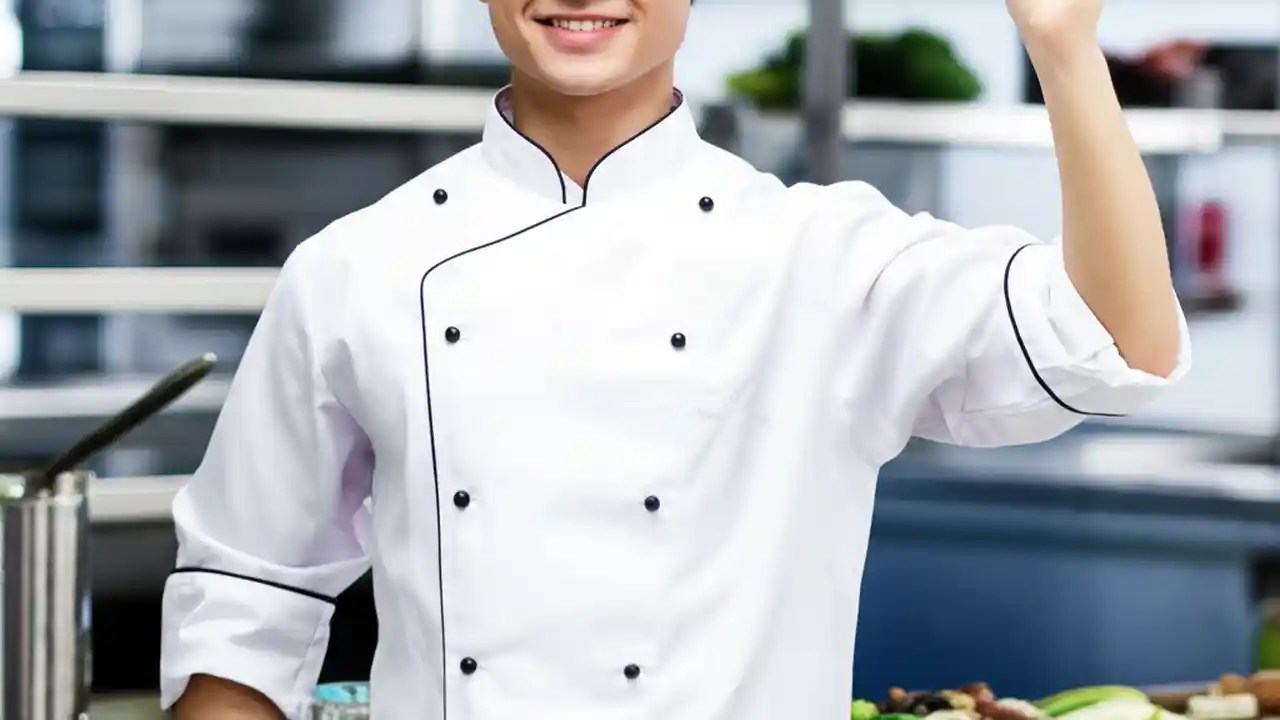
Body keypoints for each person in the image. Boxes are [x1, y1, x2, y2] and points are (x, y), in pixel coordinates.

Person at [163, 0, 1190, 718]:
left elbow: (1112, 344)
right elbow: (245, 595)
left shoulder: (816, 255)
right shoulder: (356, 267)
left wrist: (1061, 46)